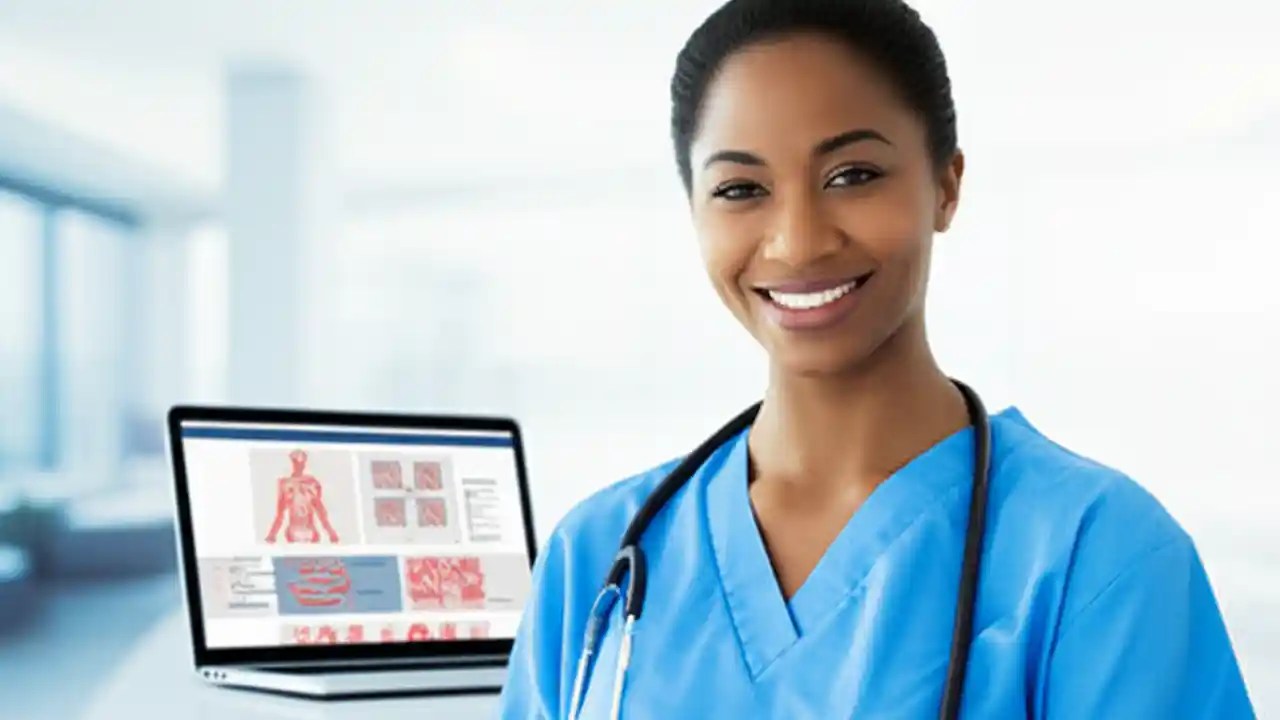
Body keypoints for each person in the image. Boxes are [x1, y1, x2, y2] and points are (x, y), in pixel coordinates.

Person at [497, 0, 1256, 717]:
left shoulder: (1099, 556)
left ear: (946, 185)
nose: (798, 242)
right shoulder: (593, 560)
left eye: (852, 176)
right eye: (740, 189)